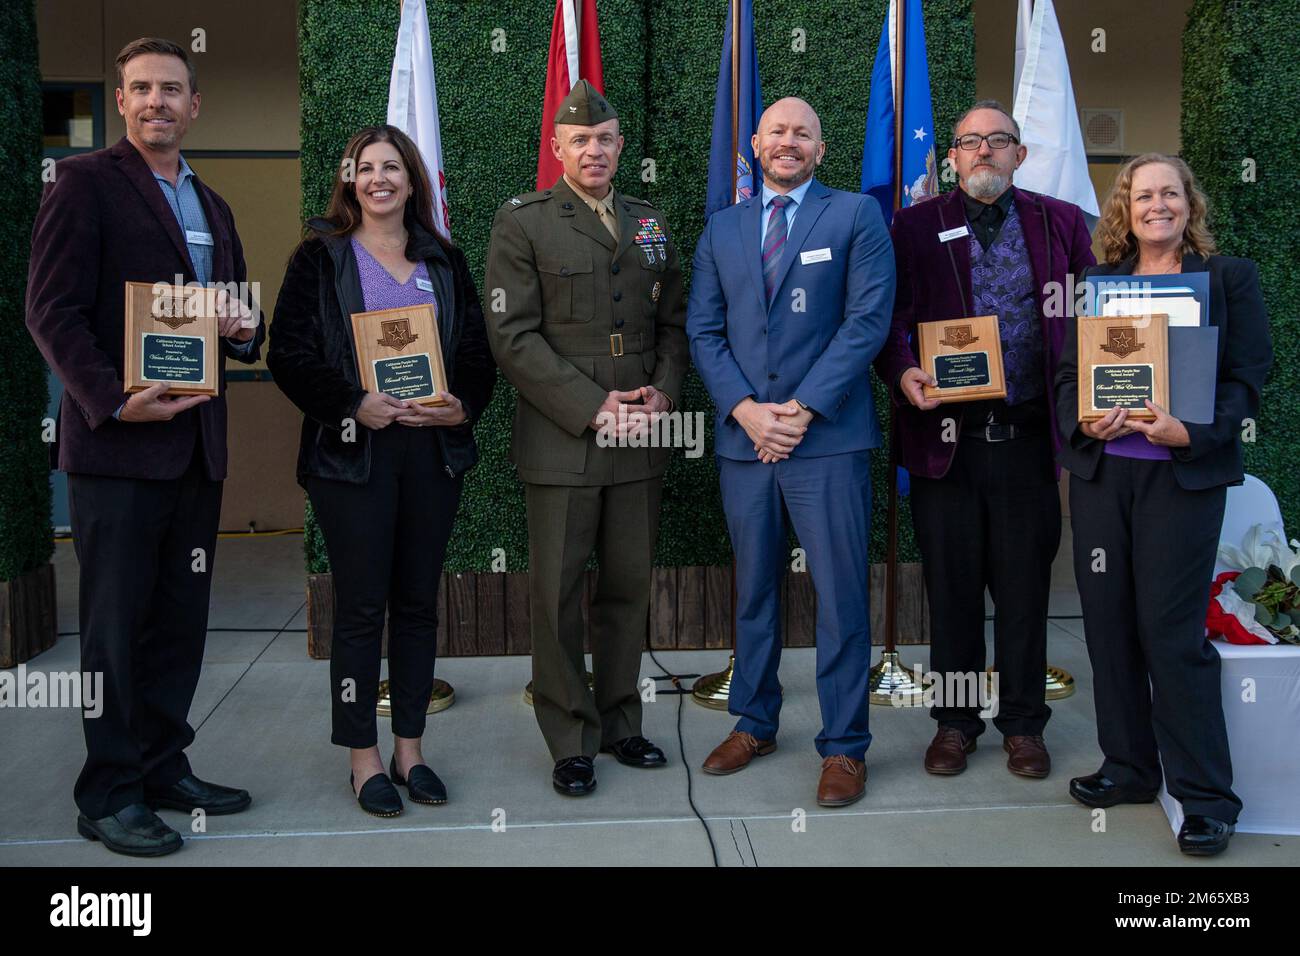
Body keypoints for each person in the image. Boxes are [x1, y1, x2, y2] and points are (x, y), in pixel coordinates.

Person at [25, 37, 263, 856]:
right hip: (119, 452)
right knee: (115, 630)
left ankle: (164, 765)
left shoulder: (215, 205)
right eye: (141, 89)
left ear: (195, 105)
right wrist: (116, 401)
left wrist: (244, 323)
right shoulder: (86, 184)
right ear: (121, 101)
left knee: (177, 621)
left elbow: (234, 311)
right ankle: (108, 793)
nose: (157, 101)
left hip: (196, 450)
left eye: (173, 90)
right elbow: (50, 311)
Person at [268, 125, 494, 817]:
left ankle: (411, 749)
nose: (378, 180)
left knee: (419, 605)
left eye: (391, 167)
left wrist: (460, 407)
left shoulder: (444, 259)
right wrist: (352, 402)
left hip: (430, 453)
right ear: (349, 181)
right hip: (351, 456)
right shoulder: (320, 257)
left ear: (411, 179)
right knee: (362, 610)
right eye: (364, 169)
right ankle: (362, 758)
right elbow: (289, 353)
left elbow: (478, 357)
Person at [1055, 153, 1271, 856]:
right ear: (1126, 207)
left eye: (1169, 193)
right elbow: (1067, 376)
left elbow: (1247, 376)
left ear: (1189, 204)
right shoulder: (1098, 283)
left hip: (1180, 480)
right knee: (1110, 625)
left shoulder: (1226, 278)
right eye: (1143, 194)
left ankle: (1207, 796)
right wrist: (1084, 420)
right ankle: (1128, 766)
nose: (1157, 205)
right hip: (1104, 479)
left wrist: (1192, 432)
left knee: (1171, 634)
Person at [874, 100, 1095, 779]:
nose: (984, 153)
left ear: (1019, 155)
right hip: (945, 441)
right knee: (954, 588)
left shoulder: (1059, 223)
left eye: (998, 141)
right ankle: (956, 723)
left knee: (1026, 589)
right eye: (970, 142)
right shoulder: (913, 226)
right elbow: (888, 320)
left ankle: (1024, 726)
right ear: (952, 156)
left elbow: (1092, 309)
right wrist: (905, 371)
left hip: (1029, 436)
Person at [688, 96, 895, 807]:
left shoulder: (856, 216)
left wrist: (801, 411)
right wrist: (747, 412)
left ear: (820, 148)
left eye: (802, 132)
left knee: (840, 595)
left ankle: (843, 748)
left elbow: (867, 320)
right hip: (747, 442)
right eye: (777, 131)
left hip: (828, 441)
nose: (788, 142)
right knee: (754, 591)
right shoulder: (723, 229)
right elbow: (704, 332)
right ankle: (754, 721)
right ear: (754, 143)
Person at [484, 80, 688, 796]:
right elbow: (511, 336)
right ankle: (569, 736)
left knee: (629, 586)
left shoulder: (650, 222)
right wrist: (593, 405)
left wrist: (664, 389)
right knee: (559, 591)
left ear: (619, 146)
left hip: (642, 432)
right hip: (564, 436)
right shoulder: (524, 222)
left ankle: (622, 721)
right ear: (558, 148)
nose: (594, 149)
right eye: (580, 140)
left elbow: (674, 322)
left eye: (605, 139)